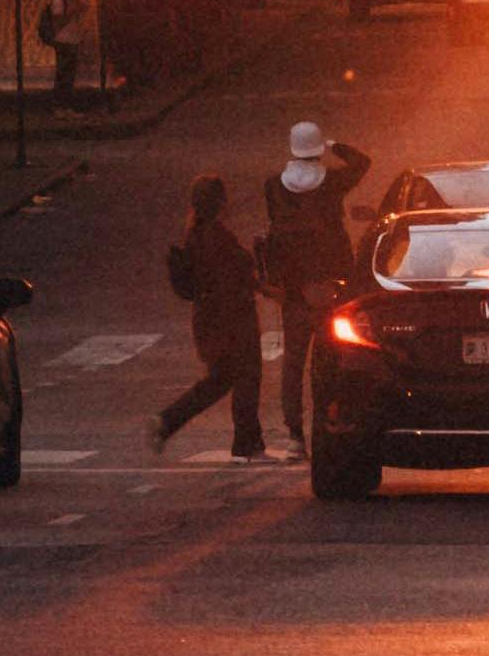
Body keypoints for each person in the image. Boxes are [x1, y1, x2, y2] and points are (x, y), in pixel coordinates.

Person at [259, 117, 370, 449]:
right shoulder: (333, 181)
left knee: (293, 363)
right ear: (317, 149)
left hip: (293, 290)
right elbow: (363, 162)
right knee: (328, 361)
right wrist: (334, 145)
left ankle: (294, 434)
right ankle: (326, 423)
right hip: (330, 285)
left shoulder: (273, 186)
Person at [150, 173, 269, 459]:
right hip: (232, 319)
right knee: (247, 377)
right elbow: (237, 273)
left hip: (209, 319)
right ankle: (246, 442)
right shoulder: (217, 237)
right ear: (220, 202)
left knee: (221, 379)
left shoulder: (196, 234)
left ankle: (168, 421)